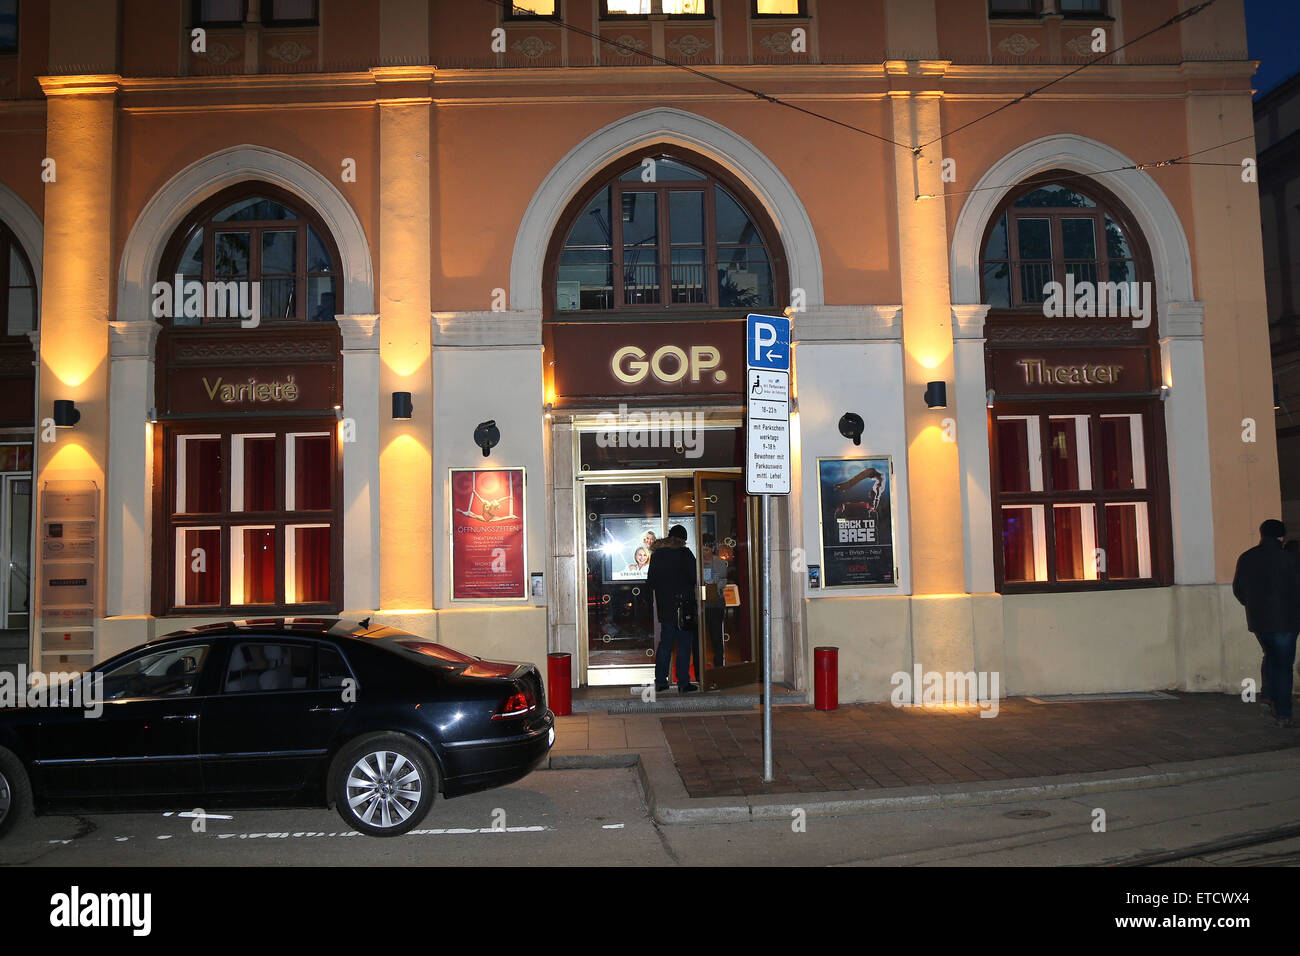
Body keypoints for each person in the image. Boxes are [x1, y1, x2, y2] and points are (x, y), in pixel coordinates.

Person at [1232, 519, 1300, 728]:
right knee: (1283, 666)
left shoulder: (1247, 557)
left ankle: (1268, 696)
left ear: (1262, 535)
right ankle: (1283, 713)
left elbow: (1238, 589)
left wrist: (1252, 605)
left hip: (1259, 620)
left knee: (1270, 655)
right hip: (1287, 621)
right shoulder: (1290, 559)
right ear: (1281, 537)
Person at [647, 524, 698, 693]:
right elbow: (694, 578)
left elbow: (651, 582)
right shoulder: (686, 554)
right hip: (684, 606)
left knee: (666, 644)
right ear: (683, 540)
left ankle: (661, 681)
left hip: (666, 607)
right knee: (684, 644)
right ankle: (683, 683)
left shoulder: (657, 555)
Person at [700, 533, 729, 668]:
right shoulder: (696, 562)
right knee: (699, 638)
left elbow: (724, 580)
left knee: (716, 636)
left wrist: (714, 585)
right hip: (701, 605)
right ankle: (700, 666)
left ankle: (718, 667)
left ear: (712, 549)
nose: (704, 552)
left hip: (716, 604)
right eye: (702, 549)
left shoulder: (719, 562)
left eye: (706, 549)